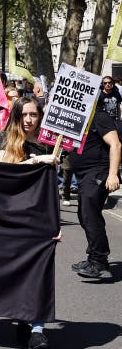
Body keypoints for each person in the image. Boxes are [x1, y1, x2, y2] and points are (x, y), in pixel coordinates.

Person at [0, 97, 60, 349]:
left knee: (39, 270)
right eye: (25, 115)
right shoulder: (3, 139)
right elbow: (0, 176)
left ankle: (37, 330)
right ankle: (22, 318)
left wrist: (54, 223)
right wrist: (34, 162)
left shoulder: (48, 144)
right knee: (16, 272)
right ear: (16, 116)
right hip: (9, 215)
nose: (29, 120)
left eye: (34, 114)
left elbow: (50, 189)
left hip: (37, 217)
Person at [68, 107, 120, 279]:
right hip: (84, 175)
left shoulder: (99, 116)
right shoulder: (76, 118)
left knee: (90, 215)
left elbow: (115, 144)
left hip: (98, 172)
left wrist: (113, 174)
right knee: (85, 216)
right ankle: (94, 256)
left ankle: (99, 261)